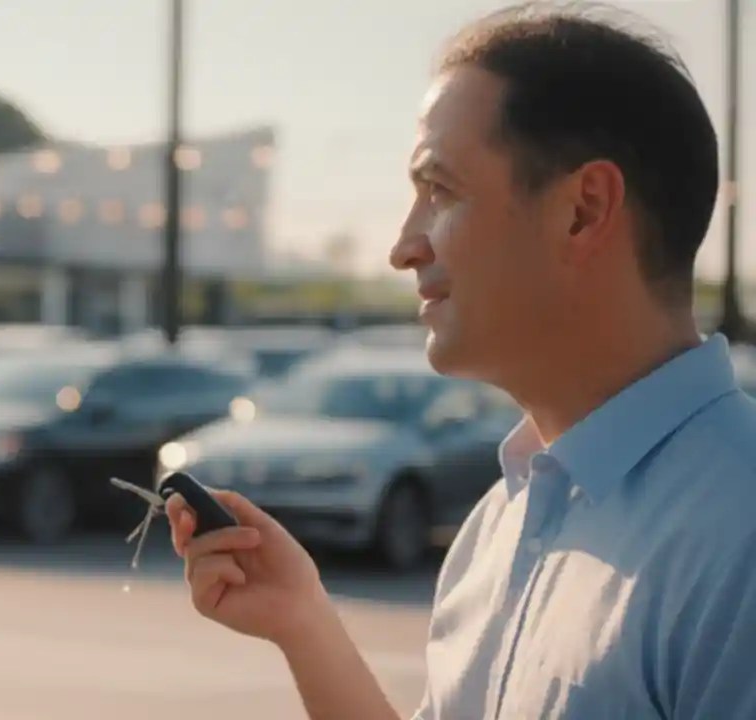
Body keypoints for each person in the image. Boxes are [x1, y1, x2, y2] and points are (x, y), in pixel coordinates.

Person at [166, 3, 756, 718]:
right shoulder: (499, 522)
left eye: (440, 191)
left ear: (583, 210)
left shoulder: (737, 533)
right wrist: (304, 623)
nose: (404, 246)